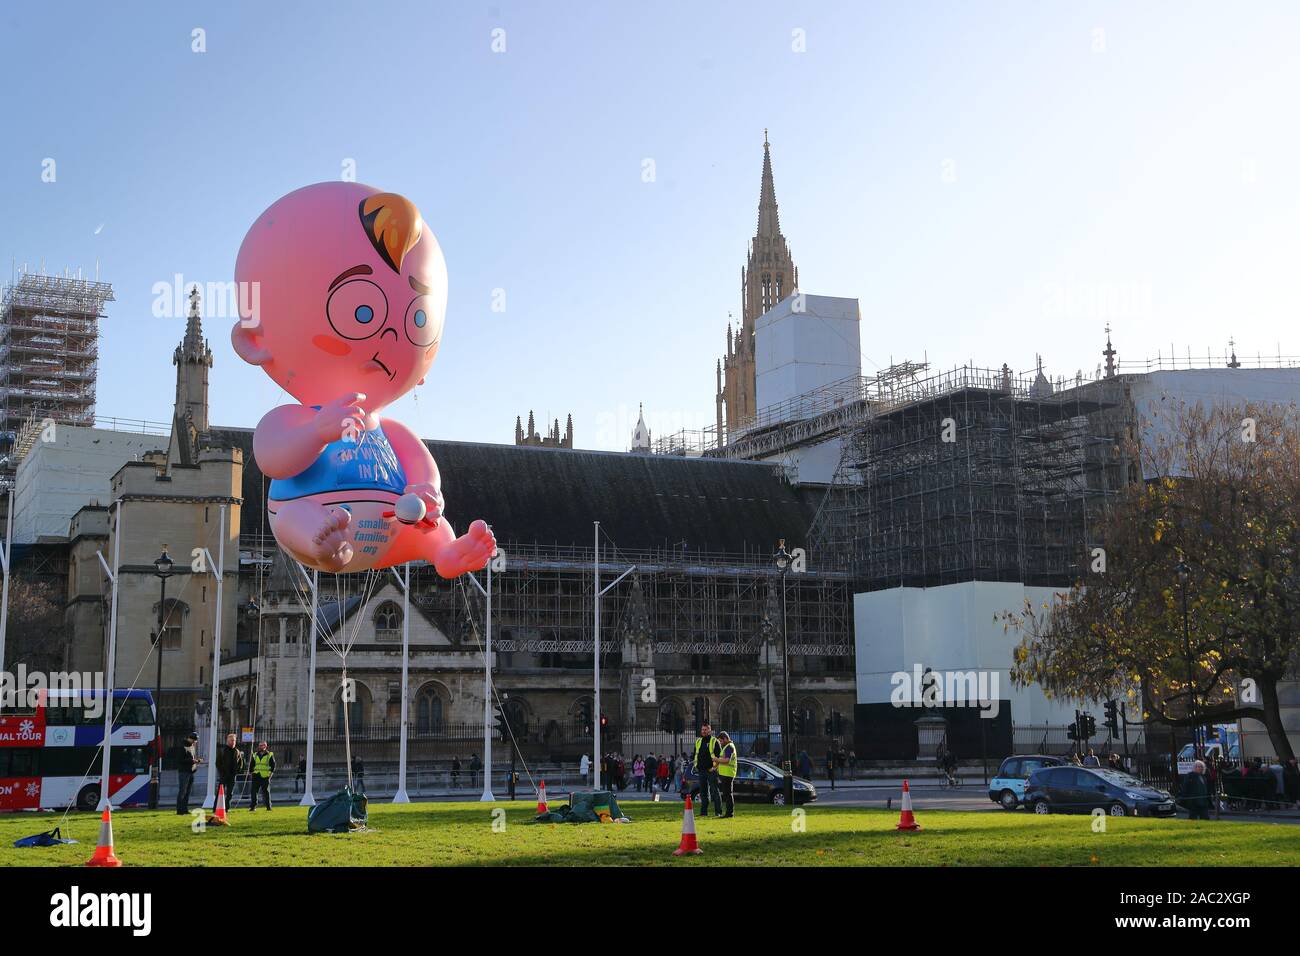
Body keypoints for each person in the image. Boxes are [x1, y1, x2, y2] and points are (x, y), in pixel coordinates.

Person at [692, 723, 723, 816]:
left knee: (715, 791)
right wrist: (696, 766)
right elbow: (695, 755)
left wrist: (714, 768)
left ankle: (718, 812)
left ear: (709, 730)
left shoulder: (714, 741)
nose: (703, 731)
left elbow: (720, 756)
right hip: (701, 770)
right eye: (702, 730)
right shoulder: (698, 741)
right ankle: (703, 813)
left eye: (705, 730)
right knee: (703, 792)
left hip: (711, 771)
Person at [176, 732, 201, 815]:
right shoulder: (182, 746)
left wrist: (197, 760)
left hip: (191, 771)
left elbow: (191, 757)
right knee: (182, 791)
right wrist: (192, 761)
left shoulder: (192, 746)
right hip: (184, 772)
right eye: (194, 740)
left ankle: (185, 809)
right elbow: (179, 760)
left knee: (188, 792)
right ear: (190, 738)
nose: (195, 742)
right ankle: (179, 810)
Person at [215, 732, 244, 805]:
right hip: (224, 775)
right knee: (220, 792)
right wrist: (221, 771)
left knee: (230, 793)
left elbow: (241, 762)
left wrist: (237, 771)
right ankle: (216, 807)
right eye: (232, 740)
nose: (233, 742)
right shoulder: (222, 750)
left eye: (234, 740)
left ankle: (227, 807)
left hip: (232, 775)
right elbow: (218, 763)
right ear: (227, 741)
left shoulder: (237, 751)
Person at [715, 731, 738, 818]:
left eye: (721, 741)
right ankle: (729, 813)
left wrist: (716, 759)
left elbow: (727, 760)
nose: (720, 743)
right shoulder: (727, 747)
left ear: (725, 739)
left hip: (728, 774)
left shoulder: (729, 747)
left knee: (728, 794)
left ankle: (729, 813)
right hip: (726, 773)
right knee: (727, 794)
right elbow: (723, 759)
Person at [248, 740, 276, 811]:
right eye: (260, 745)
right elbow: (251, 765)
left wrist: (270, 774)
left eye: (262, 745)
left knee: (266, 792)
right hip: (256, 775)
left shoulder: (269, 754)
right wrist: (251, 773)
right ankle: (253, 807)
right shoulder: (255, 754)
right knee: (254, 792)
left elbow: (273, 766)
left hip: (265, 776)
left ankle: (268, 807)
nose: (260, 747)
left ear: (265, 746)